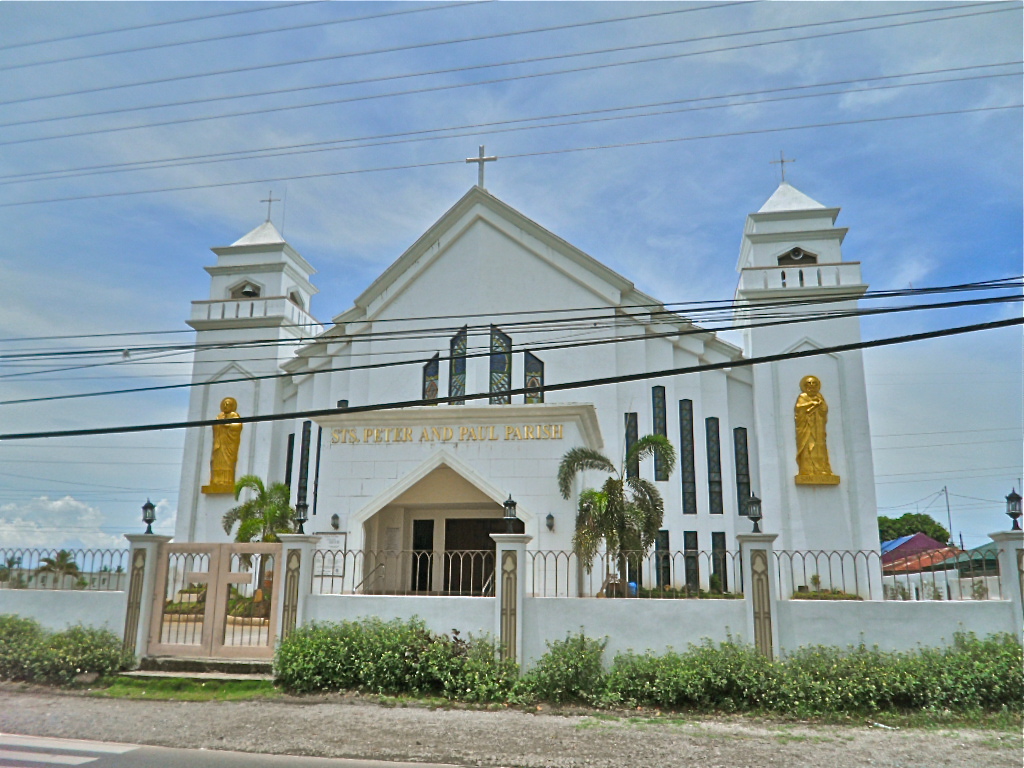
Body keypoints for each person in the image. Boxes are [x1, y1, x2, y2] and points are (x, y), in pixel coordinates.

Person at [794, 375, 839, 484]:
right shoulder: (803, 396)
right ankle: (807, 470)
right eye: (809, 385)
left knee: (820, 448)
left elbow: (824, 410)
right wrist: (811, 403)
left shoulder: (819, 396)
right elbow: (799, 407)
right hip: (807, 429)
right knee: (808, 447)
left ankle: (822, 469)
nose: (812, 387)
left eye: (814, 384)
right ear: (805, 386)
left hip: (818, 428)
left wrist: (821, 405)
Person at [205, 397, 243, 493]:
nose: (226, 406)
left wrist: (228, 425)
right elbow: (215, 426)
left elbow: (238, 426)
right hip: (219, 443)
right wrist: (219, 424)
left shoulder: (234, 415)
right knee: (217, 461)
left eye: (228, 404)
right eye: (224, 404)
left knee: (227, 462)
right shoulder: (220, 416)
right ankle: (216, 480)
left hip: (228, 444)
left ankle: (227, 480)